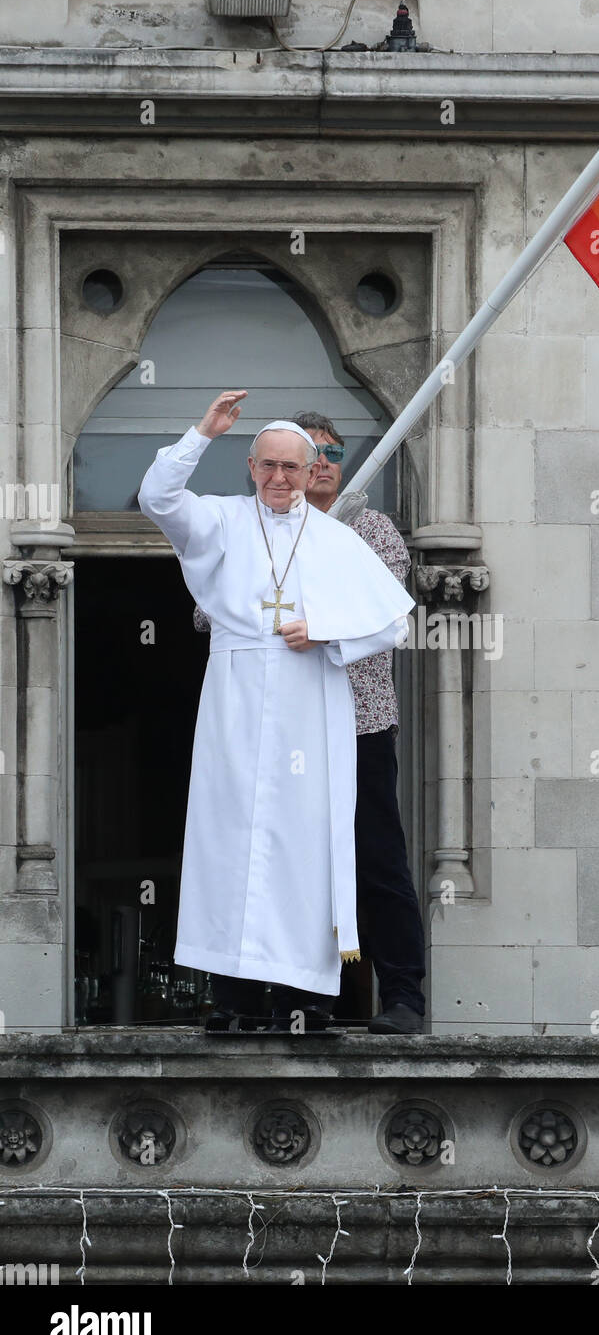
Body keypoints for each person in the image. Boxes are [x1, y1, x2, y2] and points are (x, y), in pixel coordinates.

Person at [137, 391, 414, 1033]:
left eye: (294, 466)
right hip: (233, 694)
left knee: (302, 844)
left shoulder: (336, 537)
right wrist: (202, 431)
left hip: (309, 698)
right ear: (252, 468)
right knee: (228, 836)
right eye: (269, 466)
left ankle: (304, 999)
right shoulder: (222, 519)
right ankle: (232, 997)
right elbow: (157, 498)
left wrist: (325, 631)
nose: (281, 479)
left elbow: (392, 621)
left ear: (311, 467)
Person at [296, 411, 426, 1036]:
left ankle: (401, 995)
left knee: (378, 859)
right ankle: (305, 996)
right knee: (296, 862)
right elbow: (213, 619)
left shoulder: (371, 529)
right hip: (290, 728)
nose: (323, 460)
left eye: (333, 450)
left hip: (361, 723)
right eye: (309, 451)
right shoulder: (262, 532)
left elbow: (382, 613)